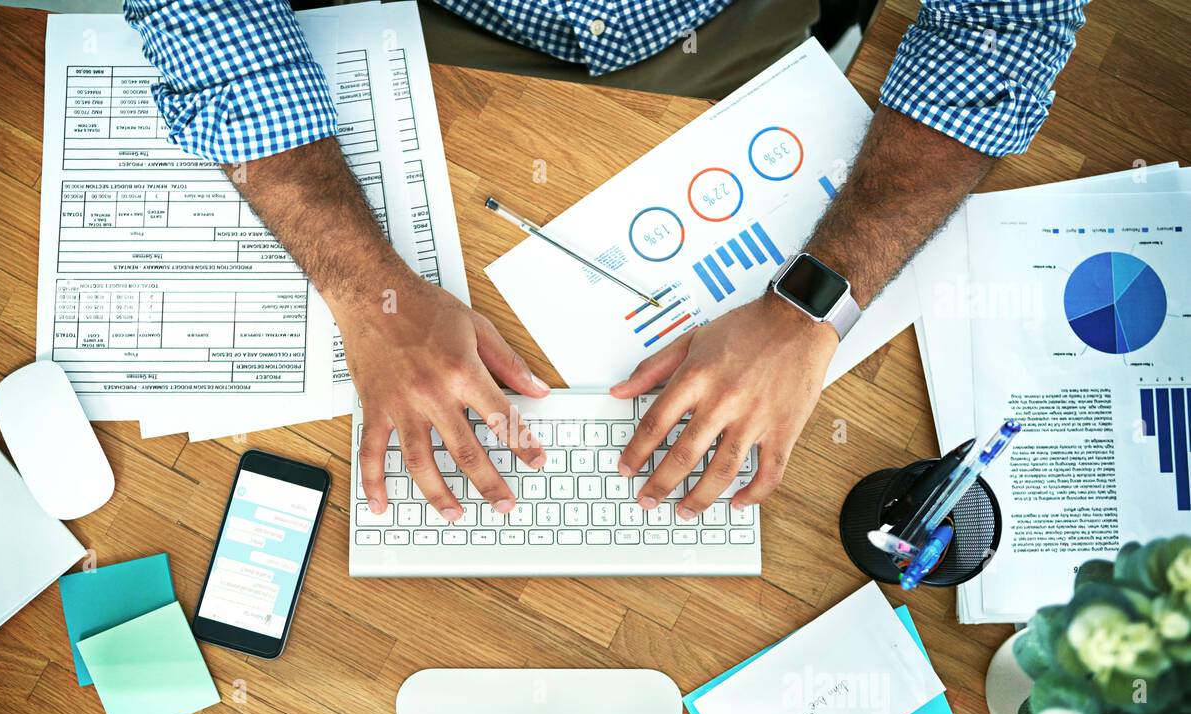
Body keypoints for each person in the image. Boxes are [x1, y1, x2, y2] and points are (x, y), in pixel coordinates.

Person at [125, 0, 1087, 525]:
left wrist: (811, 308)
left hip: (718, 32)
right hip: (450, 23)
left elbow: (1002, 32)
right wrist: (363, 291)